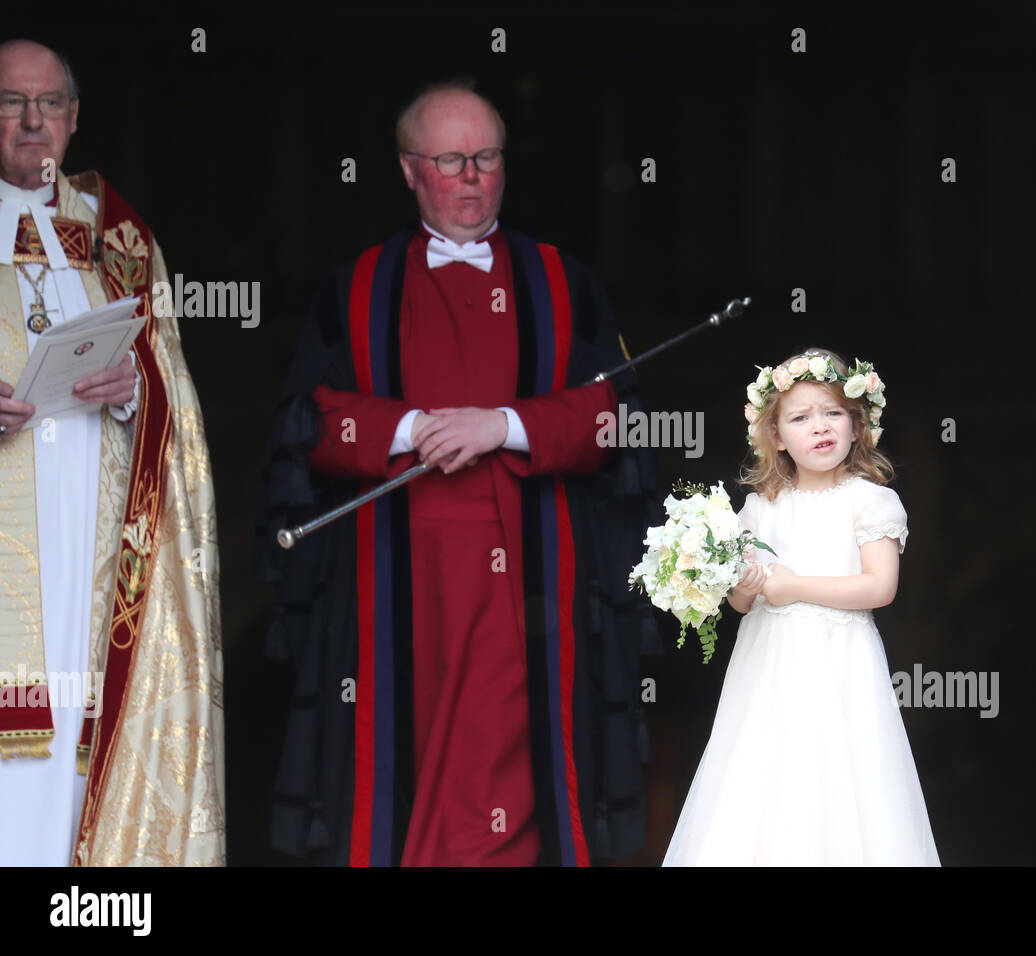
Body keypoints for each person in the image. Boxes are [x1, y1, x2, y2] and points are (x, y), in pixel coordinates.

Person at [259, 79, 659, 866]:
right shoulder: (355, 288)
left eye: (486, 157)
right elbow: (306, 422)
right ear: (410, 170)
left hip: (532, 575)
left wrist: (502, 424)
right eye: (450, 159)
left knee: (511, 759)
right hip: (396, 578)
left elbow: (615, 415)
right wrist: (409, 427)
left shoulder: (563, 282)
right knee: (403, 760)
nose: (472, 176)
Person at [0, 39, 223, 865]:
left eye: (49, 103)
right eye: (10, 103)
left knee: (75, 749)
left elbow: (176, 398)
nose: (32, 123)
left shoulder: (117, 234)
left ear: (74, 116)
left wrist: (133, 389)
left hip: (95, 570)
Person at [662, 348, 940, 865]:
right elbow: (743, 603)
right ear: (775, 436)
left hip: (841, 660)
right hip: (769, 664)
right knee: (766, 773)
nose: (819, 427)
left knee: (839, 773)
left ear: (858, 427)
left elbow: (879, 587)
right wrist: (740, 582)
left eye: (833, 412)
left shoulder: (869, 500)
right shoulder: (760, 505)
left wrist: (794, 587)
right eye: (800, 417)